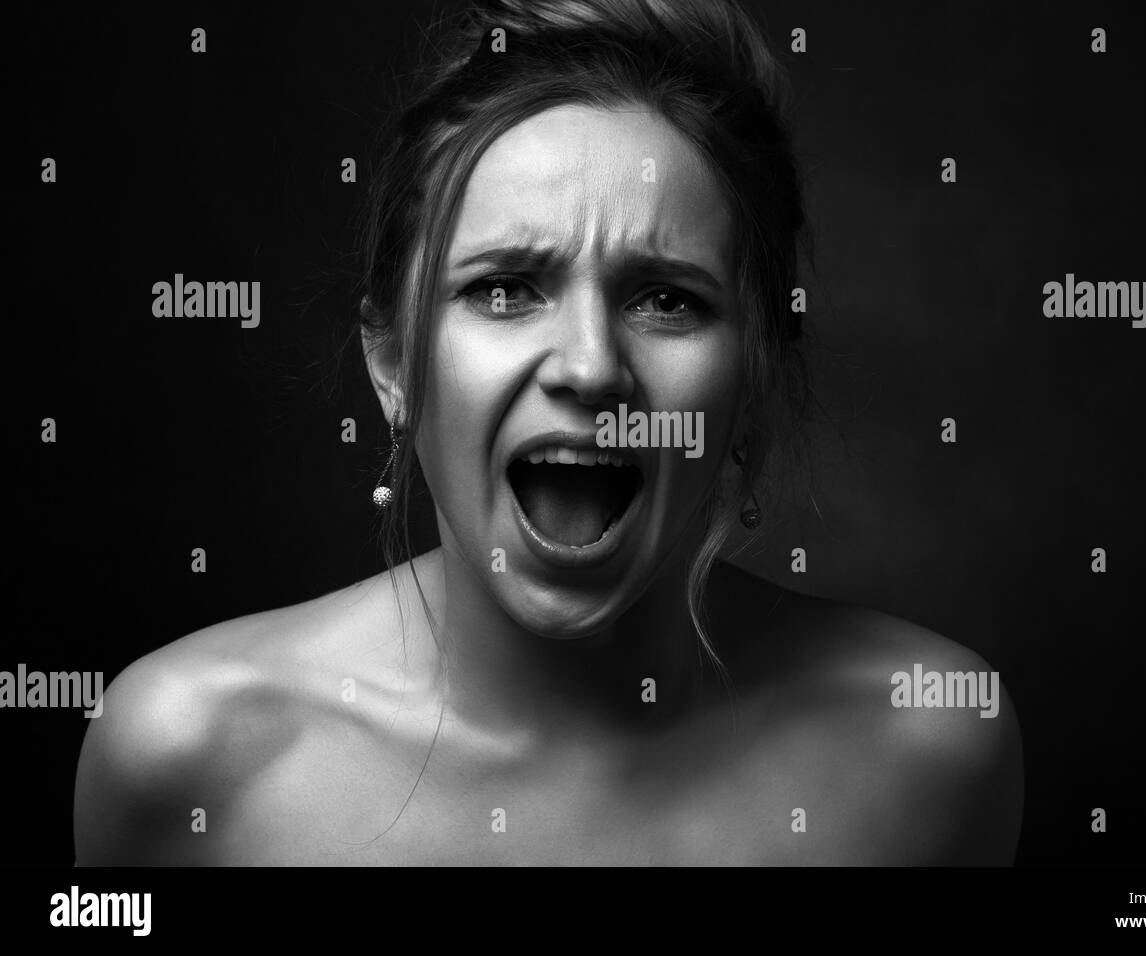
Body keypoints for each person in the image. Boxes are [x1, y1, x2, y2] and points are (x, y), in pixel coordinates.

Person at [74, 0, 1022, 865]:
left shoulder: (929, 743)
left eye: (665, 299)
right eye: (504, 289)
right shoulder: (188, 754)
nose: (589, 366)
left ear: (756, 380)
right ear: (394, 365)